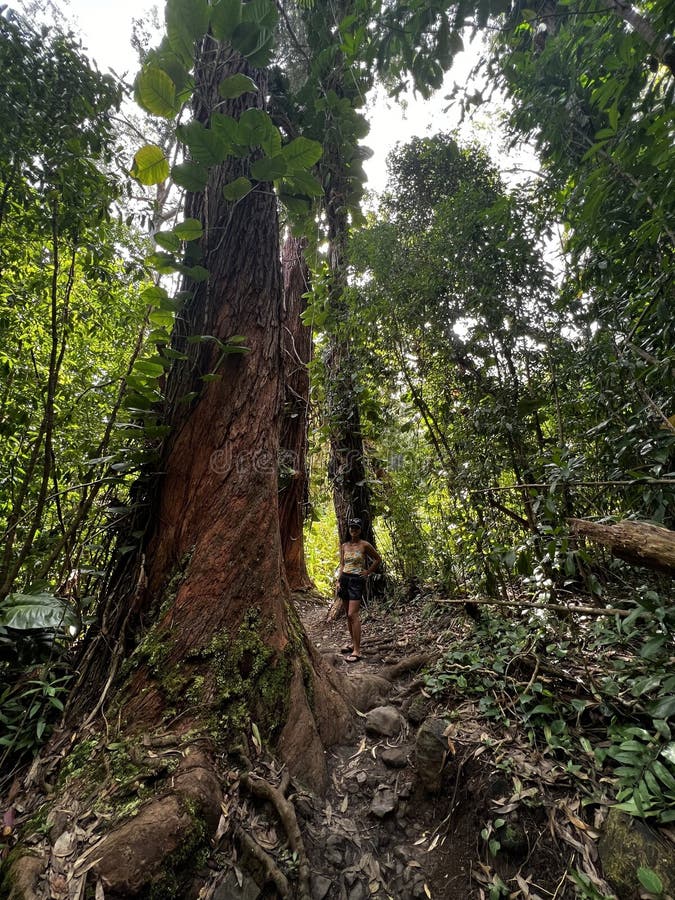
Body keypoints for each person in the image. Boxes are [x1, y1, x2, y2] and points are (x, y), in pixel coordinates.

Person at [336, 517, 382, 663]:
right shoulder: (344, 546)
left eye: (356, 528)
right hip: (345, 580)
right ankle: (352, 643)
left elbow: (377, 559)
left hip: (356, 580)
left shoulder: (365, 545)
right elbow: (342, 564)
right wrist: (338, 579)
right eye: (351, 528)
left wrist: (367, 572)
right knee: (347, 616)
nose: (353, 530)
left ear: (360, 530)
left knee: (353, 614)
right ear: (349, 529)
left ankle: (357, 650)